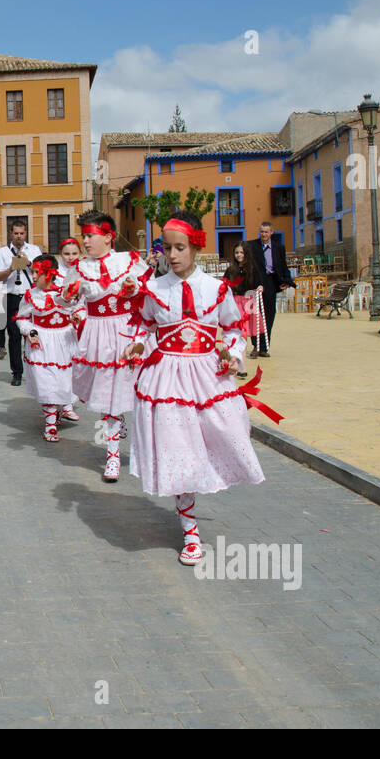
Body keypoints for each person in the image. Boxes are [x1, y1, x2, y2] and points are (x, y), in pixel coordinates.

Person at [121, 211, 274, 566]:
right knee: (179, 449)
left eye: (180, 248)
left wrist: (233, 355)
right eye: (166, 248)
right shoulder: (155, 289)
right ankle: (191, 533)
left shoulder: (215, 289)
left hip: (207, 377)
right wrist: (138, 345)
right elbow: (143, 326)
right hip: (168, 380)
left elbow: (235, 330)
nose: (172, 256)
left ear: (196, 247)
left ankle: (212, 479)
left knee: (226, 432)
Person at [59, 210, 150, 481]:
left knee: (127, 389)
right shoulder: (79, 268)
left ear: (109, 237)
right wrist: (69, 297)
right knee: (106, 394)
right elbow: (65, 302)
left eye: (90, 236)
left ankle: (126, 448)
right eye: (84, 236)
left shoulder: (129, 261)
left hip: (126, 330)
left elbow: (150, 292)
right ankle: (112, 451)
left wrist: (136, 290)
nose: (85, 242)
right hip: (97, 334)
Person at [13, 254, 80, 441]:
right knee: (46, 382)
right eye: (32, 272)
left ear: (50, 274)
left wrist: (77, 321)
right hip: (41, 341)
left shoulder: (65, 295)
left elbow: (78, 312)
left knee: (62, 380)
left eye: (37, 272)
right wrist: (29, 331)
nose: (33, 276)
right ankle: (50, 424)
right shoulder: (30, 296)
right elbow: (21, 318)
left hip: (63, 342)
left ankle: (59, 409)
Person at [0, 221, 42, 385]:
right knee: (14, 336)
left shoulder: (34, 250)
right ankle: (17, 373)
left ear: (25, 233)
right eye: (16, 234)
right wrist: (11, 269)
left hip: (30, 296)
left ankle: (36, 369)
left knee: (33, 334)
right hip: (12, 296)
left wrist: (28, 263)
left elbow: (42, 272)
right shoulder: (3, 252)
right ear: (10, 234)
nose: (19, 236)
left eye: (21, 233)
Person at [246, 222, 294, 357]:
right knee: (256, 314)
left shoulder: (278, 247)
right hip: (257, 282)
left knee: (269, 314)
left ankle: (264, 347)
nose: (264, 234)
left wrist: (287, 281)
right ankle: (255, 346)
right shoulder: (252, 245)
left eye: (266, 232)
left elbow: (283, 265)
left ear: (272, 232)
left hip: (271, 282)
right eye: (261, 231)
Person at [224, 242, 262, 378]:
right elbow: (224, 285)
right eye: (236, 253)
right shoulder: (230, 270)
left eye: (241, 252)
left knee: (243, 334)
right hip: (234, 304)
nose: (239, 255)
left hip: (247, 304)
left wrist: (260, 288)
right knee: (238, 334)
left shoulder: (252, 269)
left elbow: (258, 283)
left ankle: (241, 365)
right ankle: (240, 366)